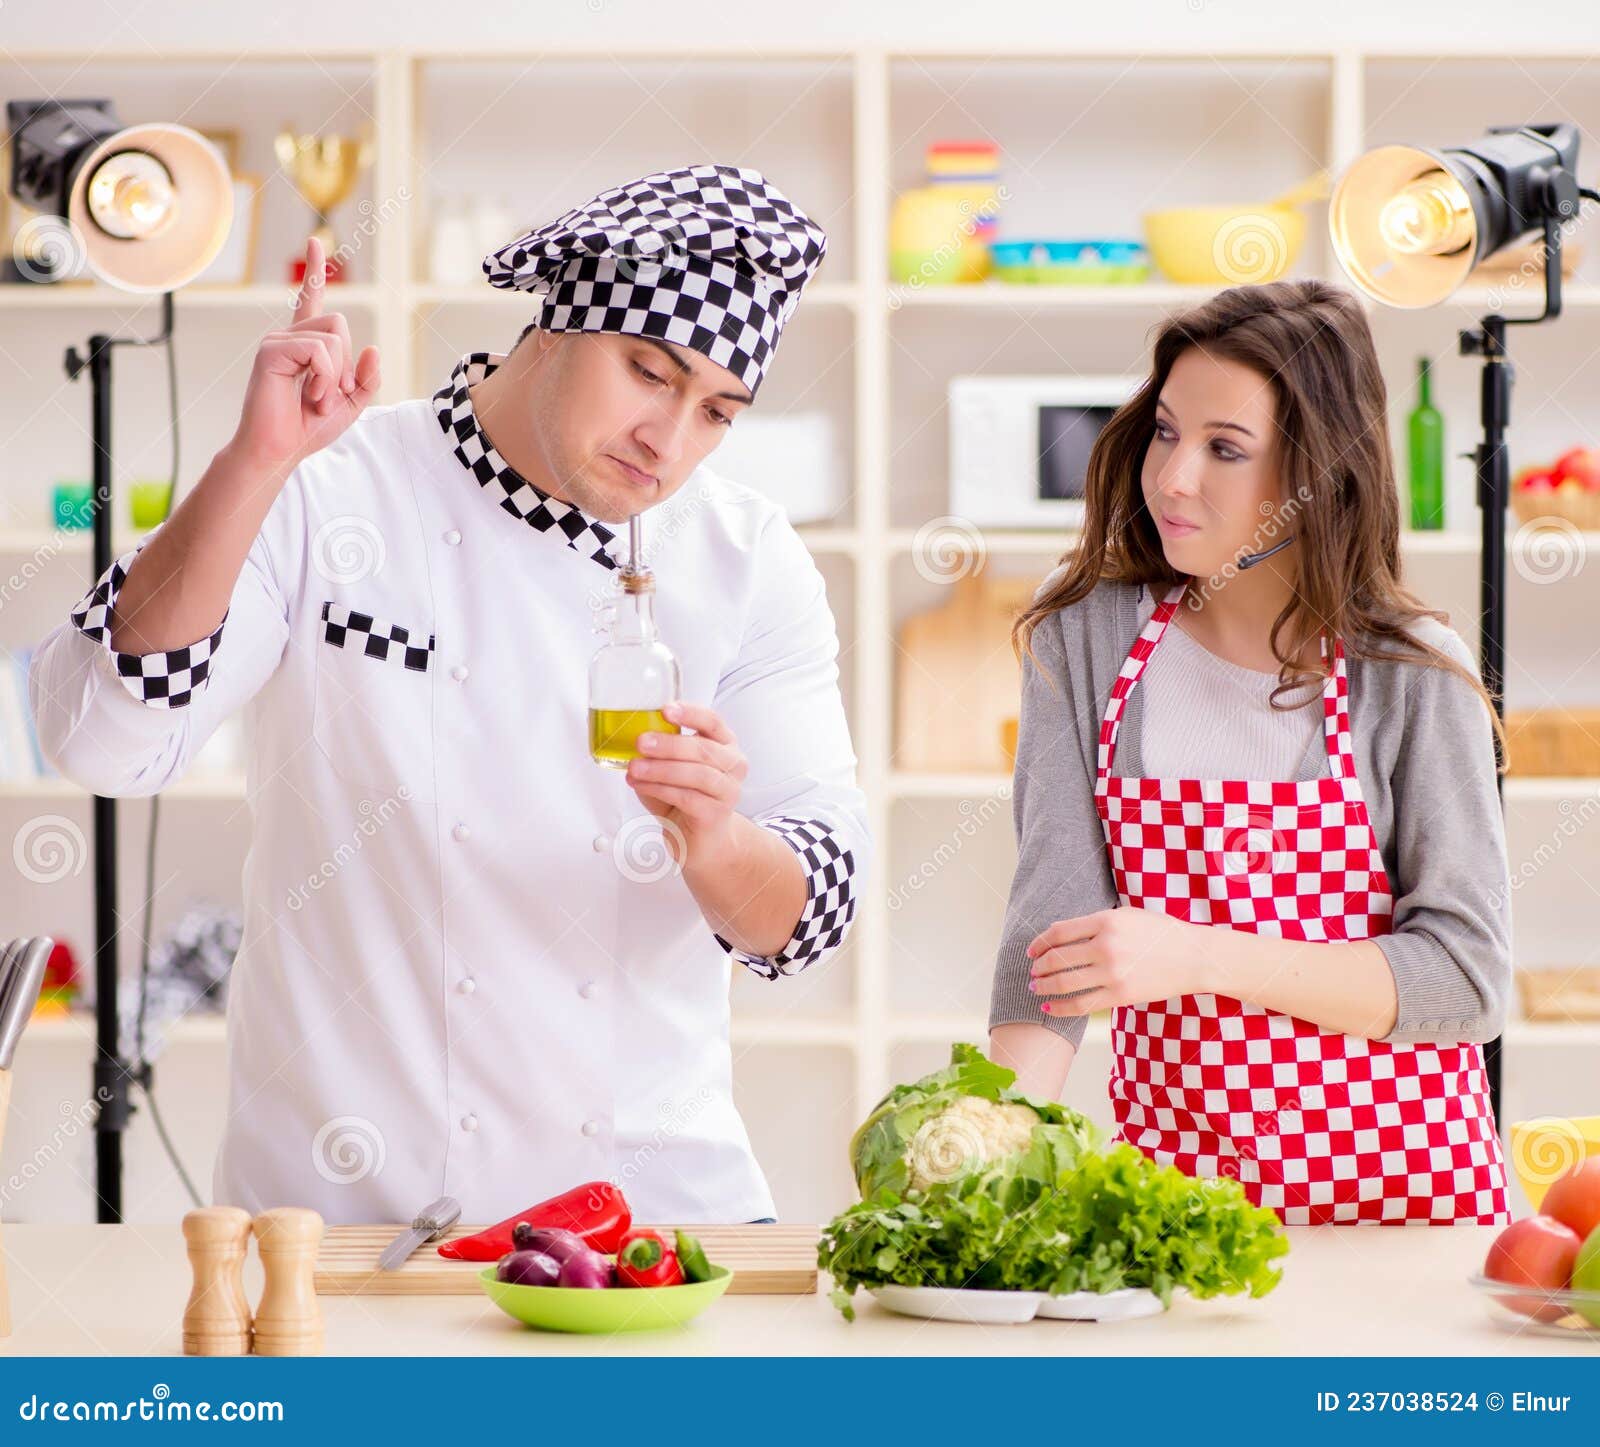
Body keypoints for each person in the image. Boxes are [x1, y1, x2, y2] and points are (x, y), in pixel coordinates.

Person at [30, 164, 868, 1226]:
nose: (671, 443)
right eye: (649, 371)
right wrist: (253, 466)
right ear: (559, 320)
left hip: (654, 1231)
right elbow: (103, 739)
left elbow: (808, 917)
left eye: (717, 411)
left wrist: (715, 838)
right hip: (346, 1228)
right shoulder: (328, 485)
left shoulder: (748, 559)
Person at [988, 280, 1511, 1225]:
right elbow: (1050, 944)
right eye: (1164, 431)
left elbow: (1468, 980)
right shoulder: (1087, 640)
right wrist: (982, 1163)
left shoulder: (1412, 671)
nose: (1173, 476)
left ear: (1315, 479)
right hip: (1180, 1217)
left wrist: (1200, 955)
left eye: (1225, 449)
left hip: (1405, 1213)